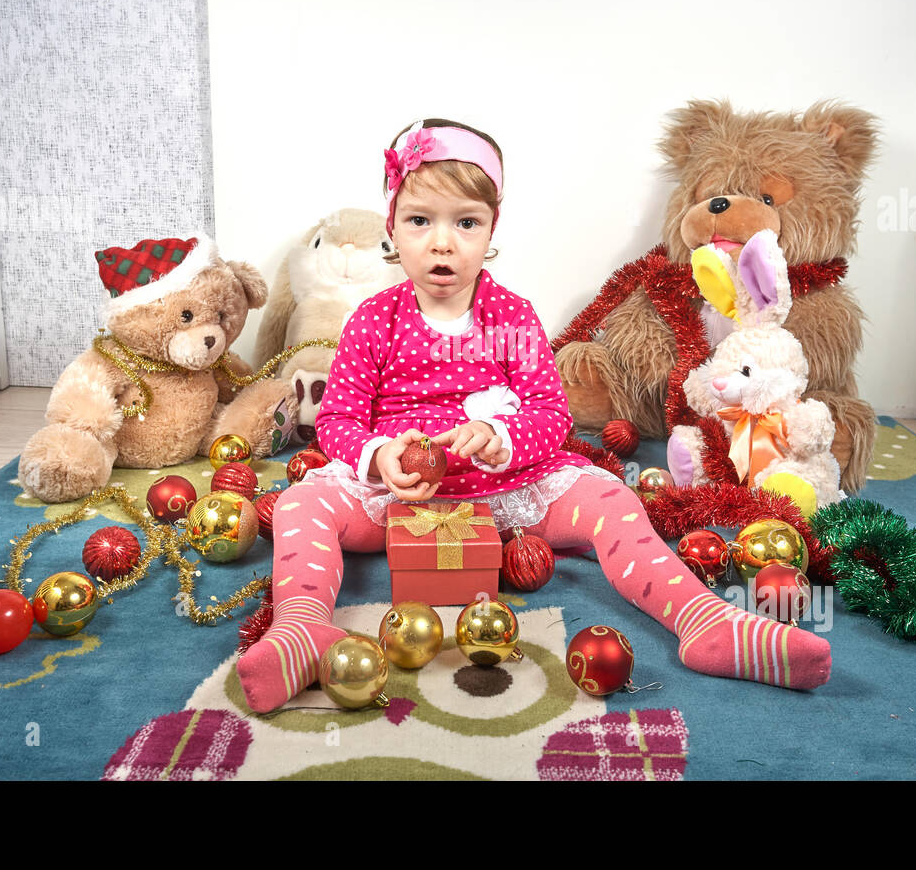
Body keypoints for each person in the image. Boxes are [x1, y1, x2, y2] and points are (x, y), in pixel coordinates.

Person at [236, 118, 831, 712]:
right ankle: (300, 629)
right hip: (397, 497)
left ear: (492, 227)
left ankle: (706, 620)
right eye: (420, 221)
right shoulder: (374, 319)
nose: (442, 243)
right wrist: (379, 455)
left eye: (465, 223)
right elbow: (339, 420)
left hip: (507, 486)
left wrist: (500, 435)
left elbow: (550, 413)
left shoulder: (511, 315)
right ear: (392, 226)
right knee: (300, 503)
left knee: (614, 502)